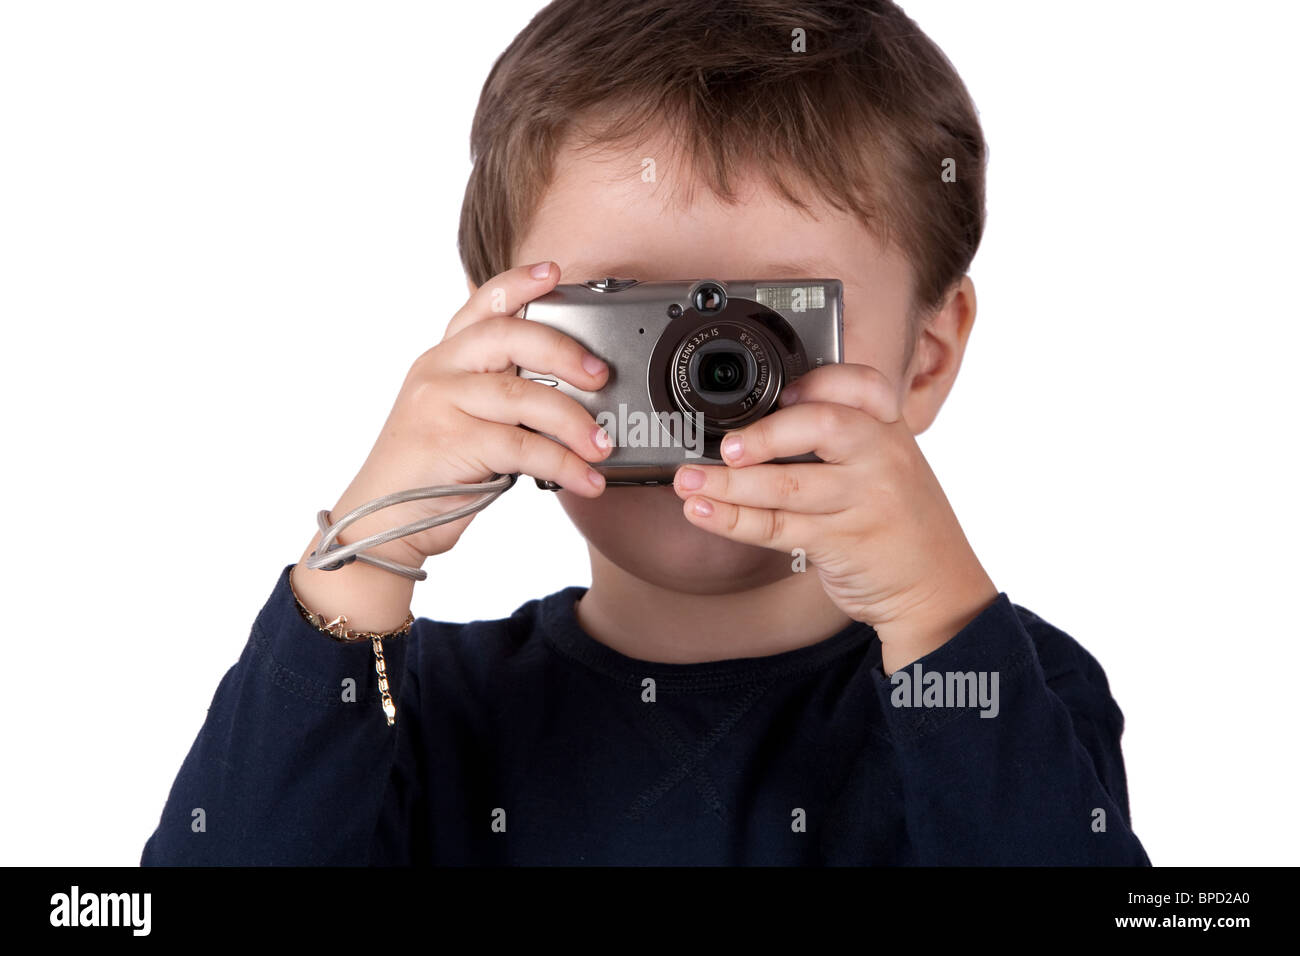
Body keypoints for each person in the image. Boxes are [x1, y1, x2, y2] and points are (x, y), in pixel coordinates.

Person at [141, 0, 1150, 865]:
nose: (702, 382)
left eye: (770, 321)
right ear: (503, 345)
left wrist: (938, 620)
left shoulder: (1009, 691)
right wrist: (366, 550)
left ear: (924, 356)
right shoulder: (416, 708)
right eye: (624, 308)